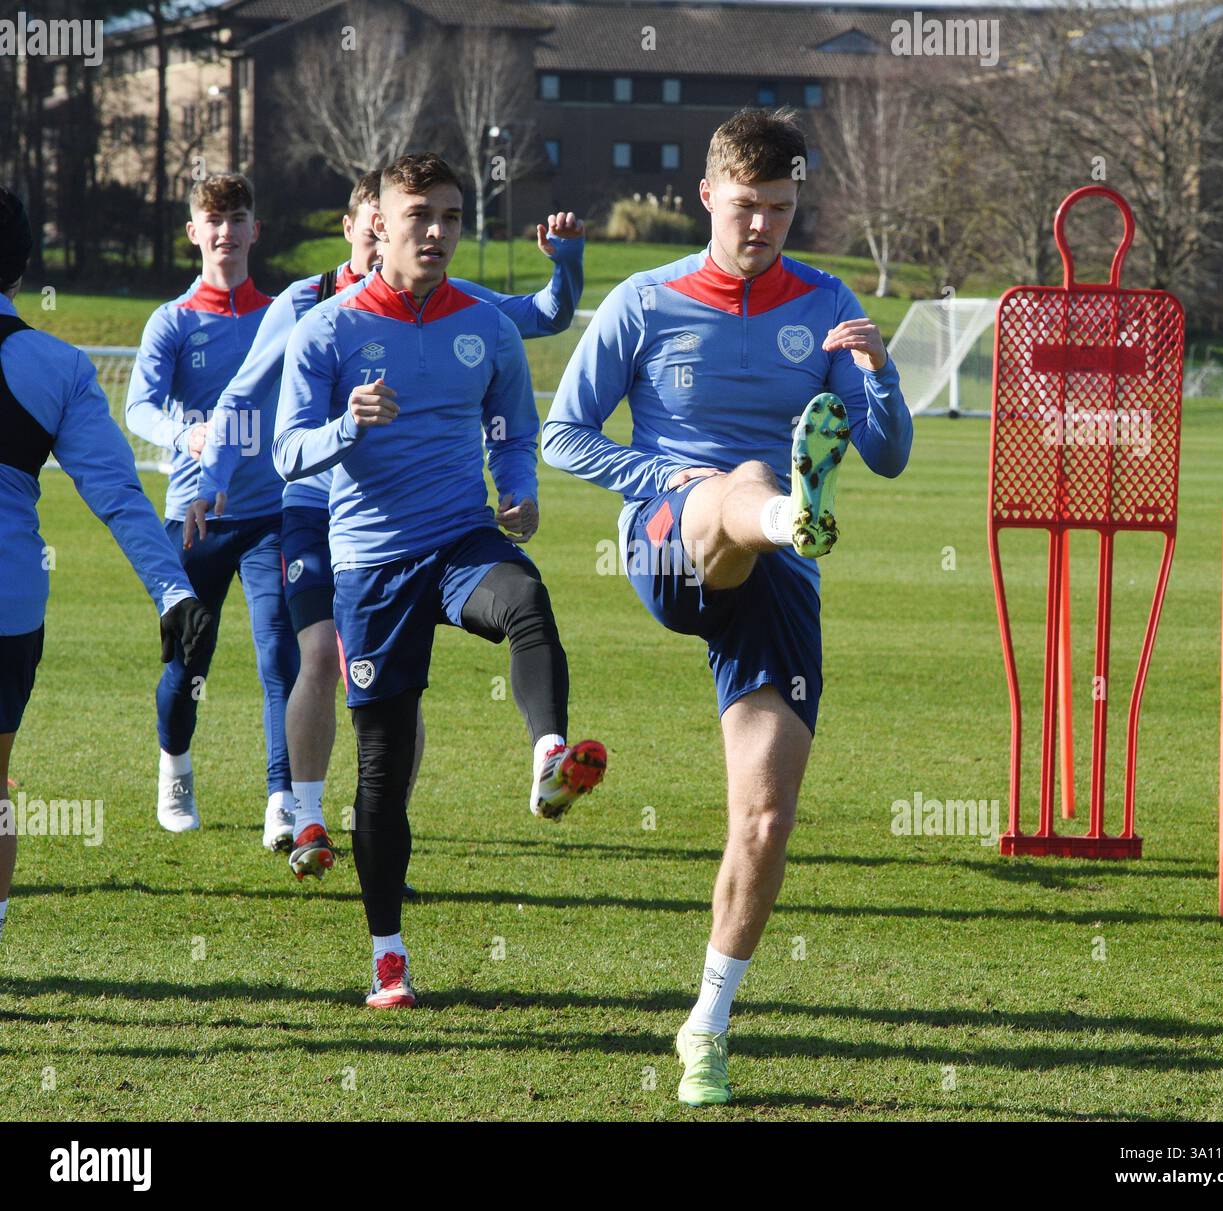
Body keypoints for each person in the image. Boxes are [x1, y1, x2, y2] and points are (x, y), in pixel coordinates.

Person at [542, 108, 912, 1103]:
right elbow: (563, 435)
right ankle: (783, 505)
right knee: (741, 476)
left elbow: (887, 454)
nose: (763, 226)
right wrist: (663, 475)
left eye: (782, 209)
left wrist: (878, 377)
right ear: (708, 195)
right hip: (673, 538)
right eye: (746, 206)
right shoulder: (642, 300)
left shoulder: (825, 302)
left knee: (765, 816)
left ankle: (705, 1022)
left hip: (778, 579)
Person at [187, 170, 589, 882]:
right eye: (394, 220)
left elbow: (541, 321)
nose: (421, 233)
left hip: (438, 528)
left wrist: (568, 263)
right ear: (358, 224)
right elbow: (246, 394)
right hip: (319, 514)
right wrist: (213, 477)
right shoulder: (310, 306)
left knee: (399, 691)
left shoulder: (459, 306)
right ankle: (303, 811)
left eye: (447, 219)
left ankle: (385, 826)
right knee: (315, 655)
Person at [273, 154, 605, 1007]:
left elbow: (510, 429)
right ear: (377, 222)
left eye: (452, 216)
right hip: (371, 568)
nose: (436, 231)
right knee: (381, 768)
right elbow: (285, 455)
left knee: (528, 600)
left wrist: (519, 489)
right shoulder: (328, 331)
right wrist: (346, 425)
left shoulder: (485, 325)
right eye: (419, 213)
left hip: (459, 541)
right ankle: (387, 952)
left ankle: (547, 758)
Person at [0, 186, 210, 945]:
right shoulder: (57, 366)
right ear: (22, 269)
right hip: (10, 605)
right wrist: (172, 590)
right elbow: (120, 496)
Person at [124, 173, 300, 850]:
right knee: (188, 662)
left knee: (279, 655)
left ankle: (282, 796)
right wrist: (185, 433)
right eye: (212, 220)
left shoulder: (283, 312)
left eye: (238, 219)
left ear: (256, 230)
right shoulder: (171, 320)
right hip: (193, 518)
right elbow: (139, 406)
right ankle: (175, 770)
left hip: (271, 516)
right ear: (194, 232)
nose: (225, 232)